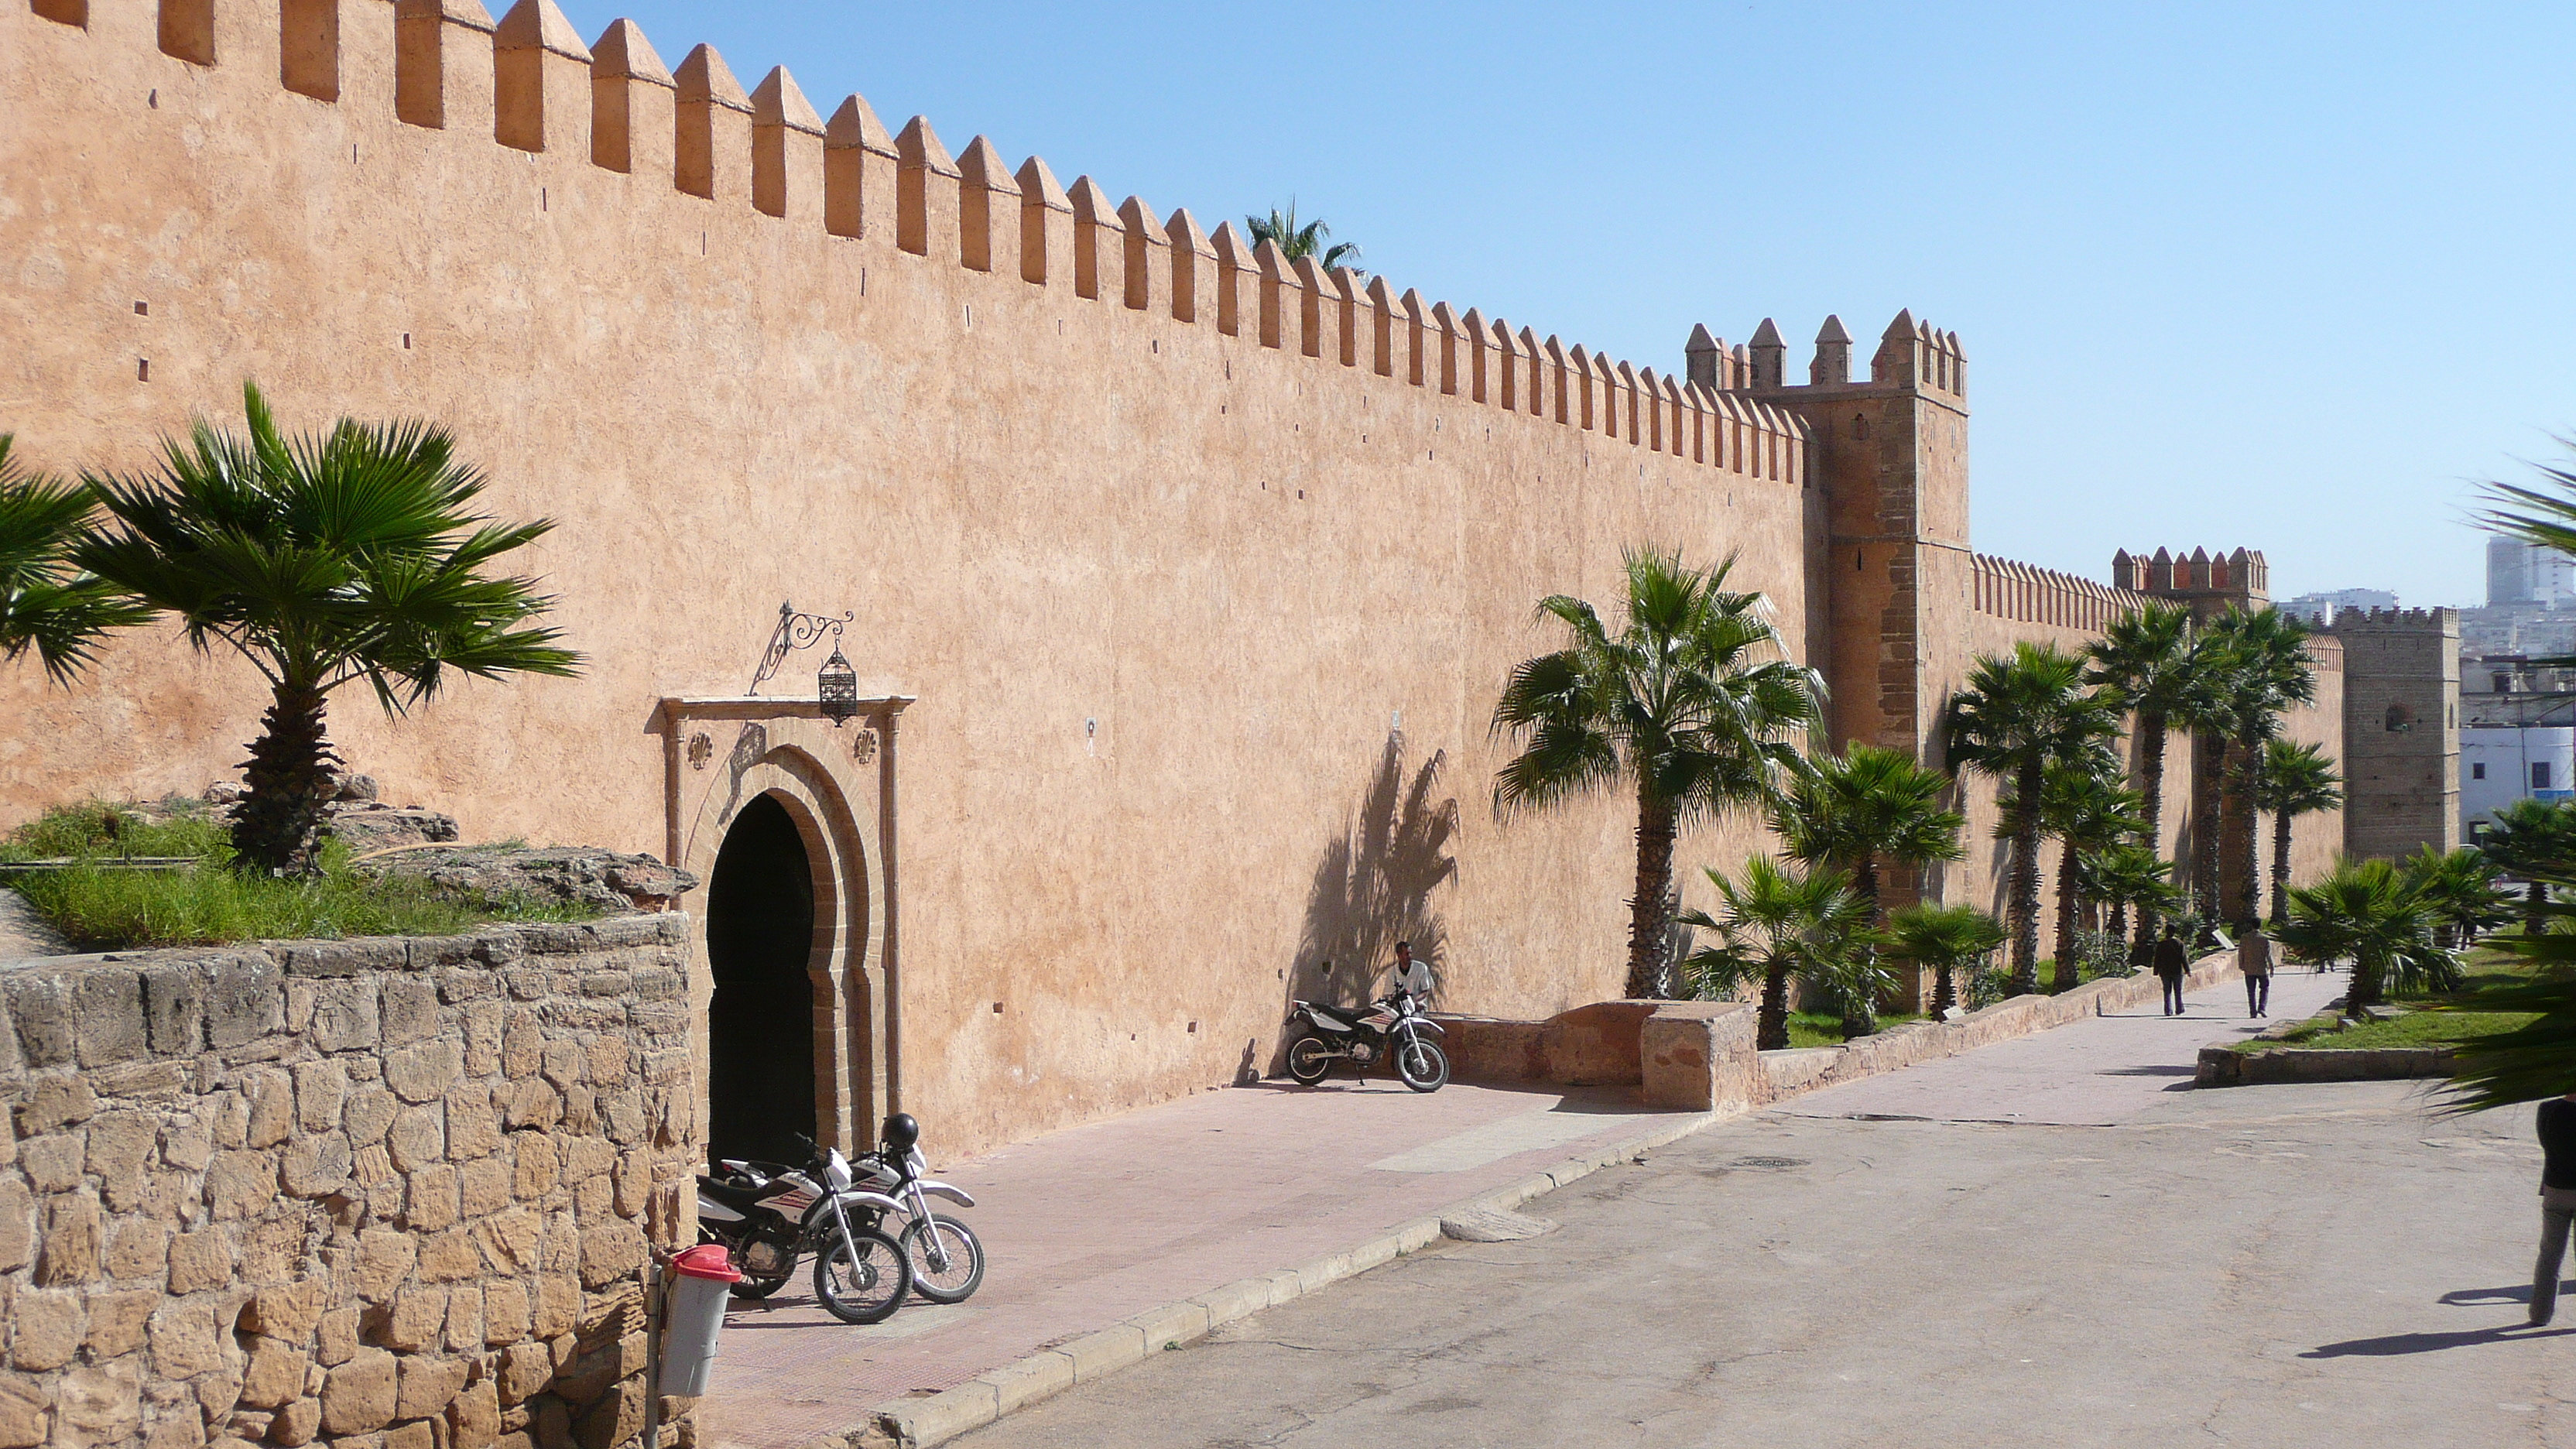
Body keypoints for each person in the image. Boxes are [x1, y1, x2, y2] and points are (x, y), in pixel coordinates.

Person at [2534, 1091, 2576, 1327]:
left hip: (2556, 1189)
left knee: (2550, 1255)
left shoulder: (2547, 1110)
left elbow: (2545, 1145)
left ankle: (2540, 1314)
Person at [2239, 921, 2273, 1018]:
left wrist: (2241, 964)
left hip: (2249, 968)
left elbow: (2241, 952)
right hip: (2262, 968)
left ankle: (2252, 1012)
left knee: (2251, 991)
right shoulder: (2264, 939)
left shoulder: (2245, 938)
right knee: (2265, 988)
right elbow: (2268, 955)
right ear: (2260, 926)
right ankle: (2262, 1008)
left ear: (2251, 925)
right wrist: (2272, 968)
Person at [2153, 925, 2189, 1016]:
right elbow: (2183, 958)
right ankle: (2179, 1009)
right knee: (2178, 991)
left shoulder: (2161, 944)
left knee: (2167, 991)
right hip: (2177, 971)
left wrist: (2156, 971)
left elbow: (2157, 958)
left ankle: (2168, 1010)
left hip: (2165, 971)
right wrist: (2187, 970)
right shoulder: (2179, 944)